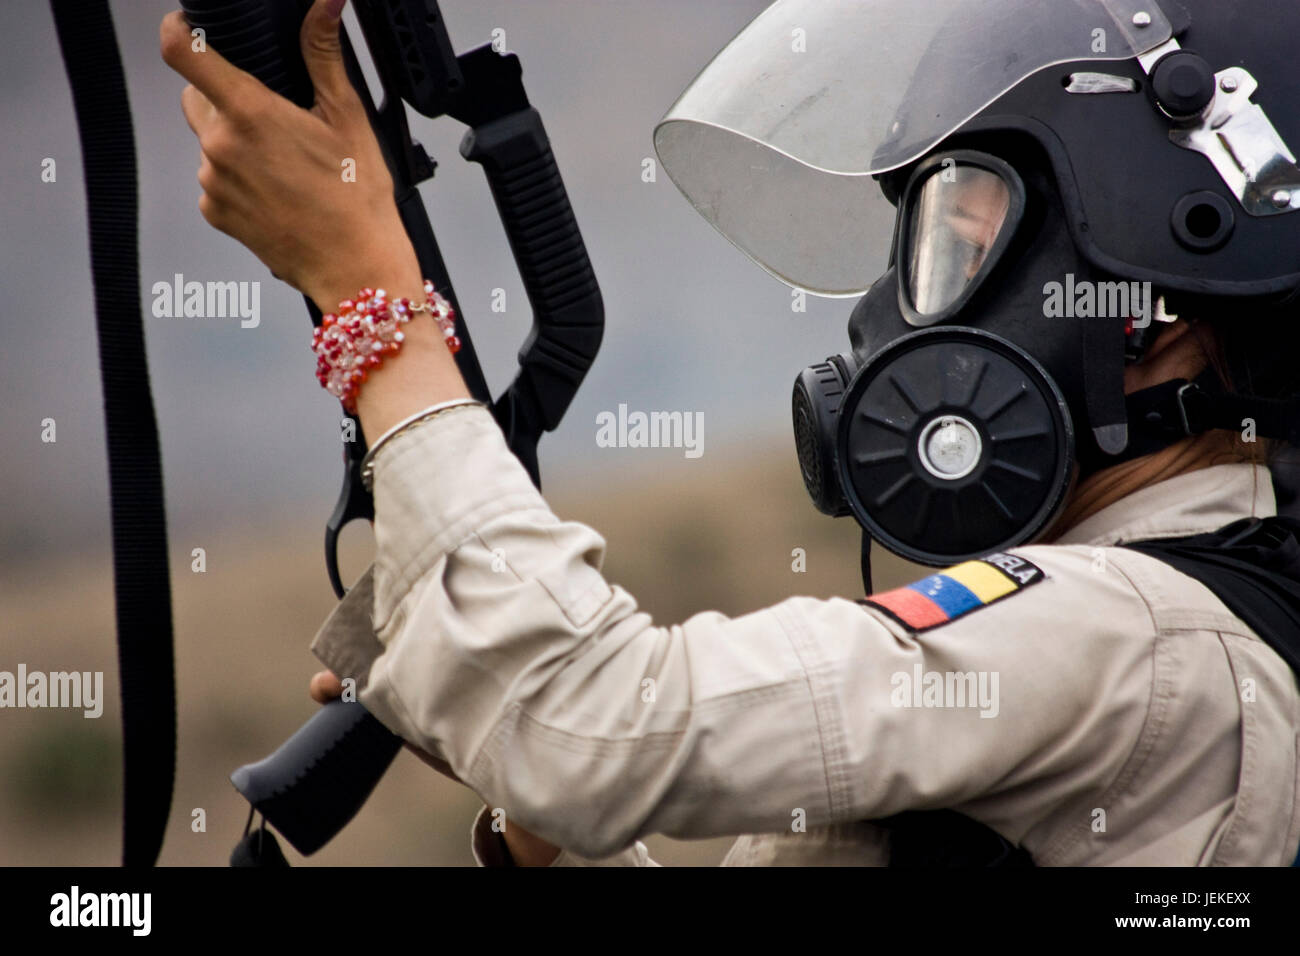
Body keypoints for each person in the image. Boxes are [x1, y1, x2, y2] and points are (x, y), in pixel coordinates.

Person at [161, 0, 1300, 867]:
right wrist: (545, 822)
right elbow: (580, 738)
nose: (893, 318)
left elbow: (598, 719)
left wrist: (370, 296)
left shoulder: (1135, 634)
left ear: (1150, 304)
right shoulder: (1166, 627)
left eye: (956, 240)